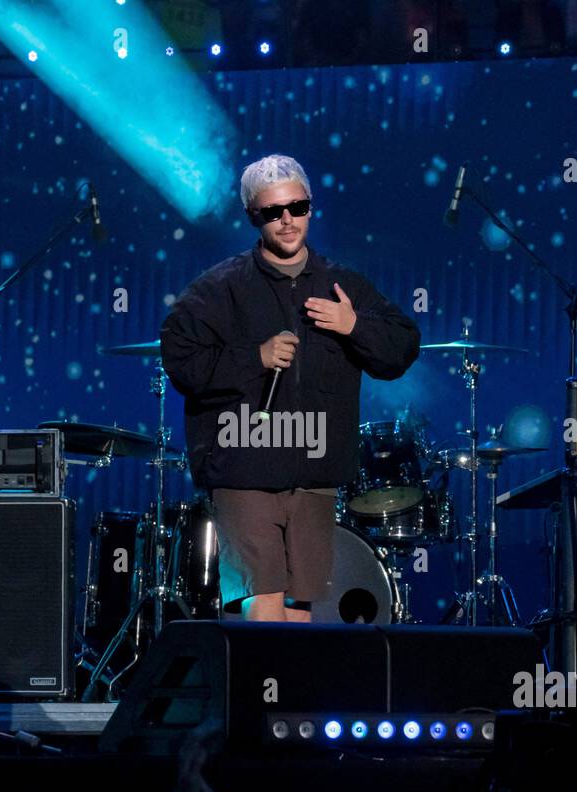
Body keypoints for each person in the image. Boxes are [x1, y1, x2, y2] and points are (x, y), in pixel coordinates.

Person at [160, 154, 420, 623]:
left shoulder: (343, 286)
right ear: (252, 217)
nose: (287, 220)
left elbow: (402, 348)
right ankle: (260, 675)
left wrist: (354, 325)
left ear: (310, 208)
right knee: (264, 603)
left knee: (301, 611)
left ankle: (288, 677)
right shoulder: (218, 290)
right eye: (272, 211)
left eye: (297, 208)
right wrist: (254, 358)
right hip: (244, 467)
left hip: (316, 473)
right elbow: (181, 361)